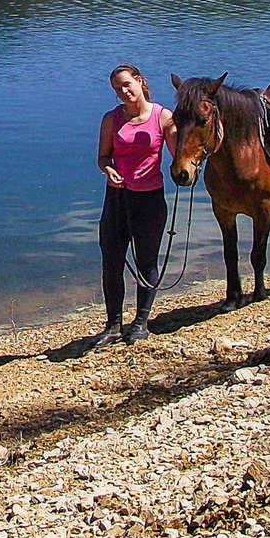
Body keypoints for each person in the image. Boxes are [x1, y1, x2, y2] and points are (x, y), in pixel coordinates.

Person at [93, 64, 176, 347]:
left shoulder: (163, 117)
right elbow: (103, 158)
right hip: (116, 199)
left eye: (127, 84)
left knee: (146, 261)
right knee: (111, 262)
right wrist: (108, 170)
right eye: (118, 89)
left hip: (149, 199)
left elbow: (181, 154)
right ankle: (113, 325)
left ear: (140, 81)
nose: (124, 92)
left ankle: (141, 322)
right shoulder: (111, 119)